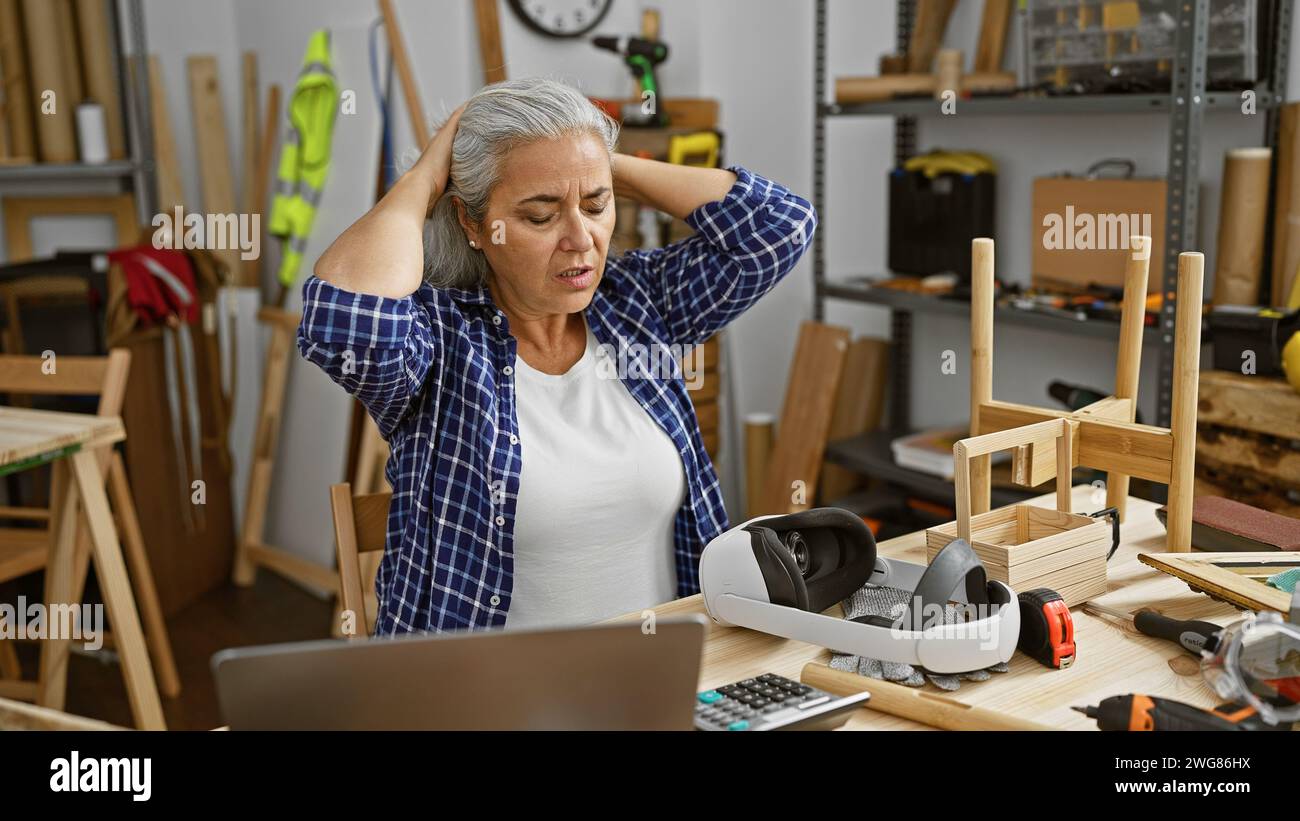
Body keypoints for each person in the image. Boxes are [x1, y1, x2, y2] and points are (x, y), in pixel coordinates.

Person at [300, 78, 816, 635]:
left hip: (666, 681)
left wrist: (590, 159)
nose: (581, 239)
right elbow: (344, 318)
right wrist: (427, 177)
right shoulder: (439, 339)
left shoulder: (635, 305)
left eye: (597, 206)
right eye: (541, 216)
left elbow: (777, 230)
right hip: (486, 698)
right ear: (473, 223)